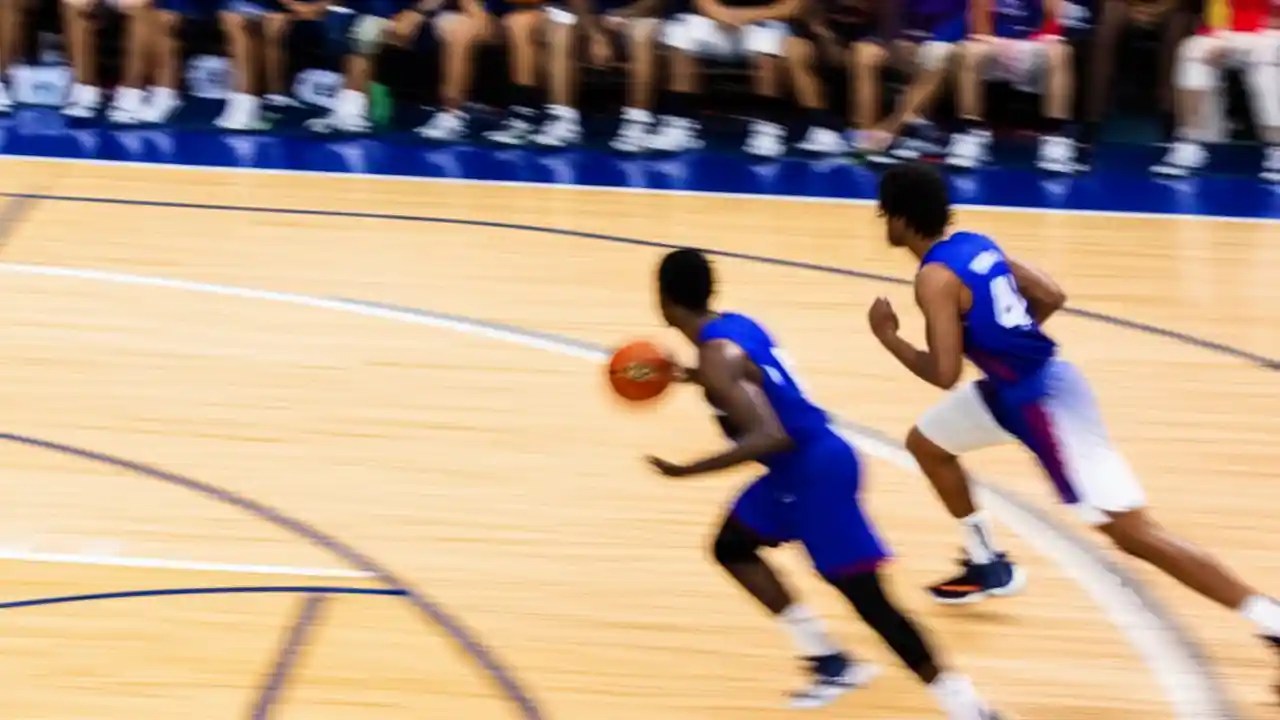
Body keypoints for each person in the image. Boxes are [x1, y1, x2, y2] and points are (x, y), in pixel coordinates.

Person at [869, 163, 1280, 700]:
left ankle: (1269, 618)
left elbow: (943, 373)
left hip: (1045, 403)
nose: (881, 223)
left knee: (1132, 533)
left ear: (900, 219)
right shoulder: (974, 243)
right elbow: (1050, 294)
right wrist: (1012, 343)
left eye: (883, 213)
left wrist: (889, 337)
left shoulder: (933, 279)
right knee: (928, 445)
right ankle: (988, 563)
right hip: (1016, 388)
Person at [645, 248, 1004, 717]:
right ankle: (829, 660)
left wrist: (686, 470)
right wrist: (687, 375)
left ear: (664, 302)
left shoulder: (717, 356)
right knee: (731, 546)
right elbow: (749, 379)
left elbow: (769, 435)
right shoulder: (735, 328)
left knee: (871, 603)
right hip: (801, 470)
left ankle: (968, 706)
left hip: (814, 477)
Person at [1149, 0, 1280, 181]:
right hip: (1234, 32)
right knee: (1194, 50)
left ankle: (1276, 146)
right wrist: (1219, 36)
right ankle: (1192, 142)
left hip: (1272, 34)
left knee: (1266, 57)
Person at [944, 0, 1079, 172]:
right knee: (969, 51)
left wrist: (1026, 46)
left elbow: (1052, 27)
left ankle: (1055, 137)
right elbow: (979, 29)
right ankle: (970, 132)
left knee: (1060, 53)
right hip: (993, 46)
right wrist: (1000, 45)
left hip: (1034, 47)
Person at [649, 0, 798, 156]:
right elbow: (703, 4)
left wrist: (745, 16)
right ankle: (678, 126)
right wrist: (723, 15)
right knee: (679, 33)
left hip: (765, 23)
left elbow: (792, 8)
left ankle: (768, 129)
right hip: (720, 22)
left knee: (766, 41)